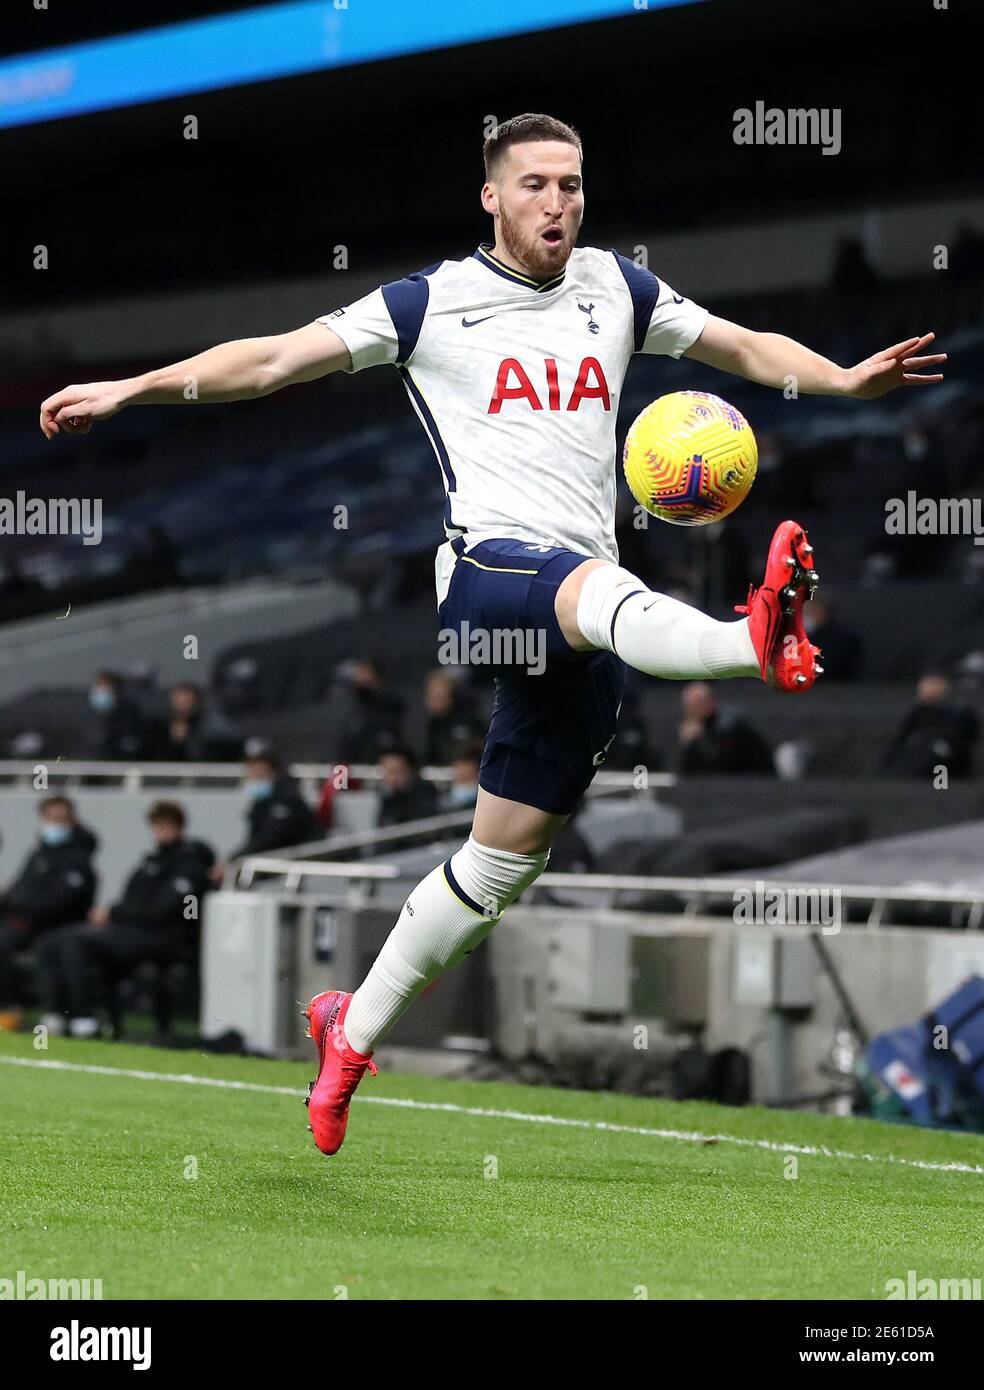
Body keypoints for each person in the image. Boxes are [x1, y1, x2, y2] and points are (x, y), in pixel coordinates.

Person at [39, 112, 946, 1155]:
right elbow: (275, 360)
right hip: (489, 580)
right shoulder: (429, 304)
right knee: (594, 585)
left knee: (501, 864)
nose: (558, 202)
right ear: (492, 196)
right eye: (535, 185)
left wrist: (839, 379)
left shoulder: (620, 286)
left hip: (586, 619)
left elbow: (739, 344)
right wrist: (134, 385)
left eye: (571, 183)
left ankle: (350, 1032)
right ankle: (754, 642)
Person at [35, 801, 213, 1038]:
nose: (161, 832)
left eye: (167, 827)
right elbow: (132, 900)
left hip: (162, 937)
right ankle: (56, 1014)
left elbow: (162, 912)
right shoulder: (150, 862)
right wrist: (115, 914)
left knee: (76, 942)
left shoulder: (189, 866)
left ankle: (84, 1019)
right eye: (157, 826)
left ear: (180, 828)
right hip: (130, 931)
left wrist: (114, 913)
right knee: (52, 940)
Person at [0, 797, 98, 1029]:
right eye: (51, 818)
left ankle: (10, 1009)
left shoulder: (78, 859)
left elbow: (58, 903)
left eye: (61, 819)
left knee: (3, 944)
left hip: (56, 925)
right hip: (25, 920)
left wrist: (18, 907)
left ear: (72, 821)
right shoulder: (39, 854)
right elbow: (18, 888)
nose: (55, 824)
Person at [212, 749, 321, 881]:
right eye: (250, 771)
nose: (253, 776)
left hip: (289, 867)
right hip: (269, 864)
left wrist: (233, 860)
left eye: (258, 771)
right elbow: (255, 839)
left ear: (272, 771)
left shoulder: (288, 799)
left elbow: (271, 838)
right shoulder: (262, 802)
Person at [883, 673, 978, 779]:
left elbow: (968, 740)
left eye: (935, 685)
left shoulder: (960, 714)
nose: (929, 689)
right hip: (921, 766)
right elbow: (899, 742)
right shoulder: (918, 713)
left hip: (946, 765)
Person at [677, 682, 775, 775]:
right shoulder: (698, 731)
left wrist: (697, 741)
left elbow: (722, 768)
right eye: (688, 706)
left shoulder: (729, 727)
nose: (691, 711)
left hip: (753, 780)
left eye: (697, 705)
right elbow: (689, 775)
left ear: (711, 702)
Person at [160, 682, 243, 761]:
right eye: (178, 703)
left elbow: (206, 759)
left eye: (186, 703)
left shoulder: (212, 727)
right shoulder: (160, 727)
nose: (182, 708)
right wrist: (175, 743)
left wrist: (188, 739)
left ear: (197, 703)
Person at [86, 671, 156, 760]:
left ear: (116, 689)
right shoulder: (87, 714)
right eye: (99, 685)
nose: (101, 690)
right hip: (89, 764)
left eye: (105, 686)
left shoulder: (130, 714)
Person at [376, 748, 440, 828]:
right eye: (387, 772)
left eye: (396, 771)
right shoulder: (381, 795)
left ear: (409, 770)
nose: (392, 777)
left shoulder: (425, 793)